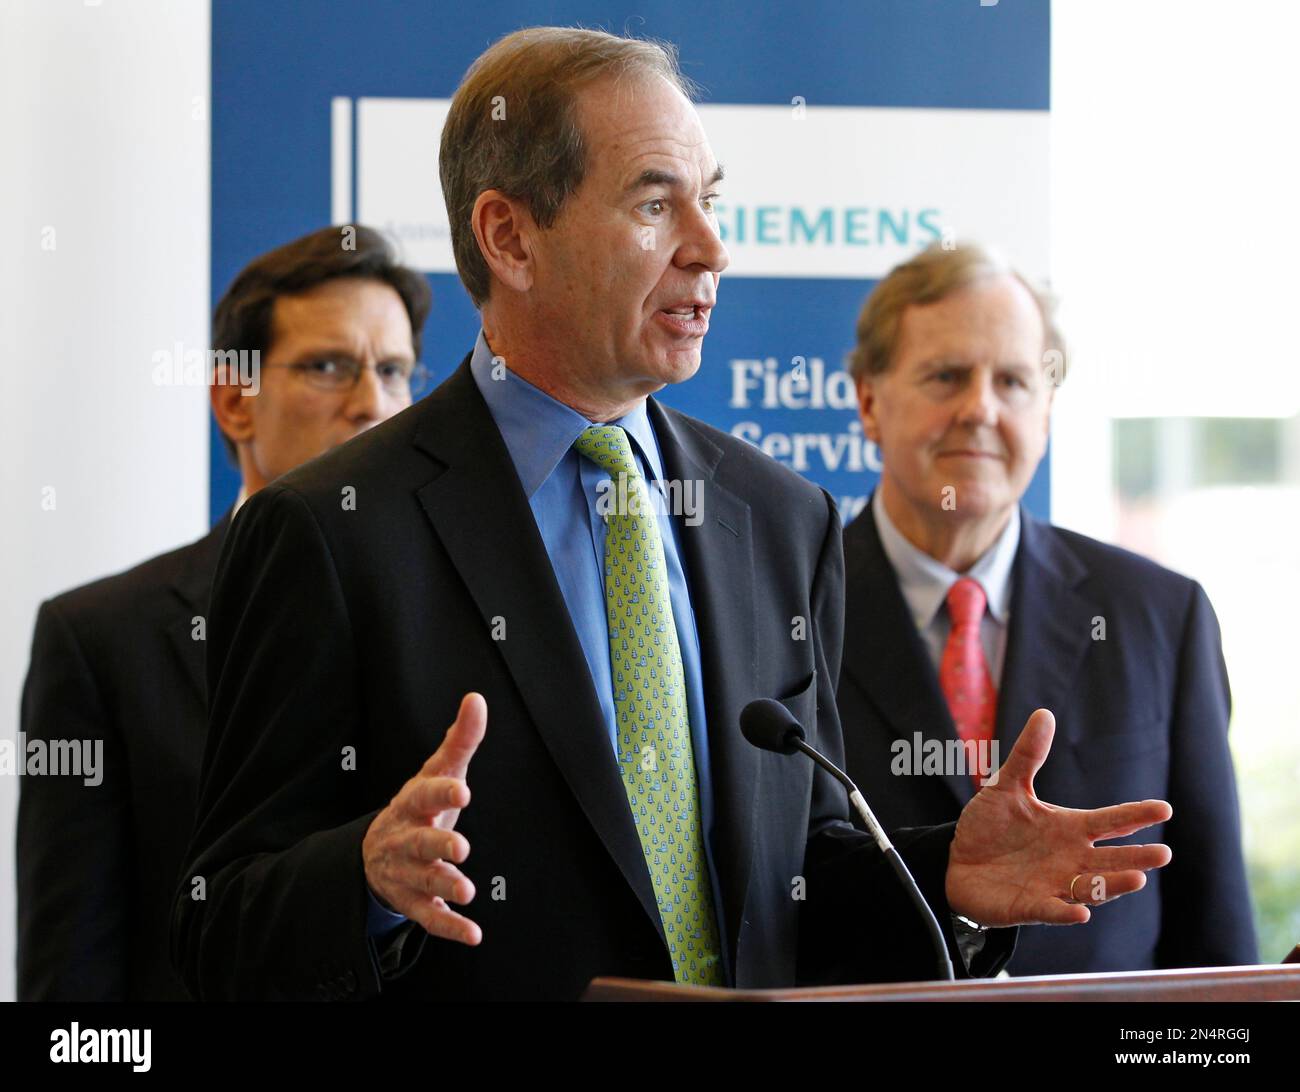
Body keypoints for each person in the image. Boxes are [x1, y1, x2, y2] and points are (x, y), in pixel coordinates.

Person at [173, 28, 1173, 1002]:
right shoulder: (334, 529)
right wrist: (365, 880)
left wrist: (945, 874)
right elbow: (223, 925)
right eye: (657, 204)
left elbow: (794, 884)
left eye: (712, 201)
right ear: (509, 236)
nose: (711, 249)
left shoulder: (781, 519)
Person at [16, 224, 432, 1000]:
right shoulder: (101, 639)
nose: (373, 403)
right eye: (329, 366)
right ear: (234, 401)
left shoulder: (461, 611)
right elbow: (70, 986)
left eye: (395, 370)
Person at [836, 241, 1257, 973]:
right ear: (869, 400)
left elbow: (1213, 927)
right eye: (946, 376)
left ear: (1048, 411)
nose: (980, 409)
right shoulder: (784, 606)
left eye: (1013, 381)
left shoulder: (1161, 615)